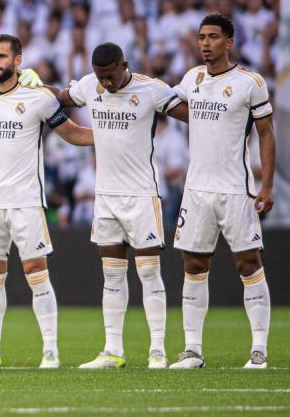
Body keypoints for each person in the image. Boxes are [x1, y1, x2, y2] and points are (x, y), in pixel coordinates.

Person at [0, 34, 92, 369]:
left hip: (26, 201)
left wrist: (114, 136)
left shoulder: (38, 98)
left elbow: (72, 133)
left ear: (18, 60)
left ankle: (50, 350)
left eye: (1, 56)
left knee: (36, 271)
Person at [34, 42, 181, 369]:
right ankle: (113, 351)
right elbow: (59, 96)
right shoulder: (89, 85)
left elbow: (192, 115)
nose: (107, 83)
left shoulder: (152, 90)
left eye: (111, 76)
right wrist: (28, 85)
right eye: (102, 77)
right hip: (106, 196)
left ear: (123, 65)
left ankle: (157, 350)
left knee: (148, 272)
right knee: (112, 276)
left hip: (142, 194)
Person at [169, 14, 275, 370]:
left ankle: (258, 350)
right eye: (201, 37)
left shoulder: (250, 83)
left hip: (235, 190)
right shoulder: (192, 78)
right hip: (197, 190)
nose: (205, 43)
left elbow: (266, 134)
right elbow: (173, 105)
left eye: (213, 37)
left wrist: (267, 185)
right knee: (194, 264)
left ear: (229, 42)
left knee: (248, 263)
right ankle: (192, 351)